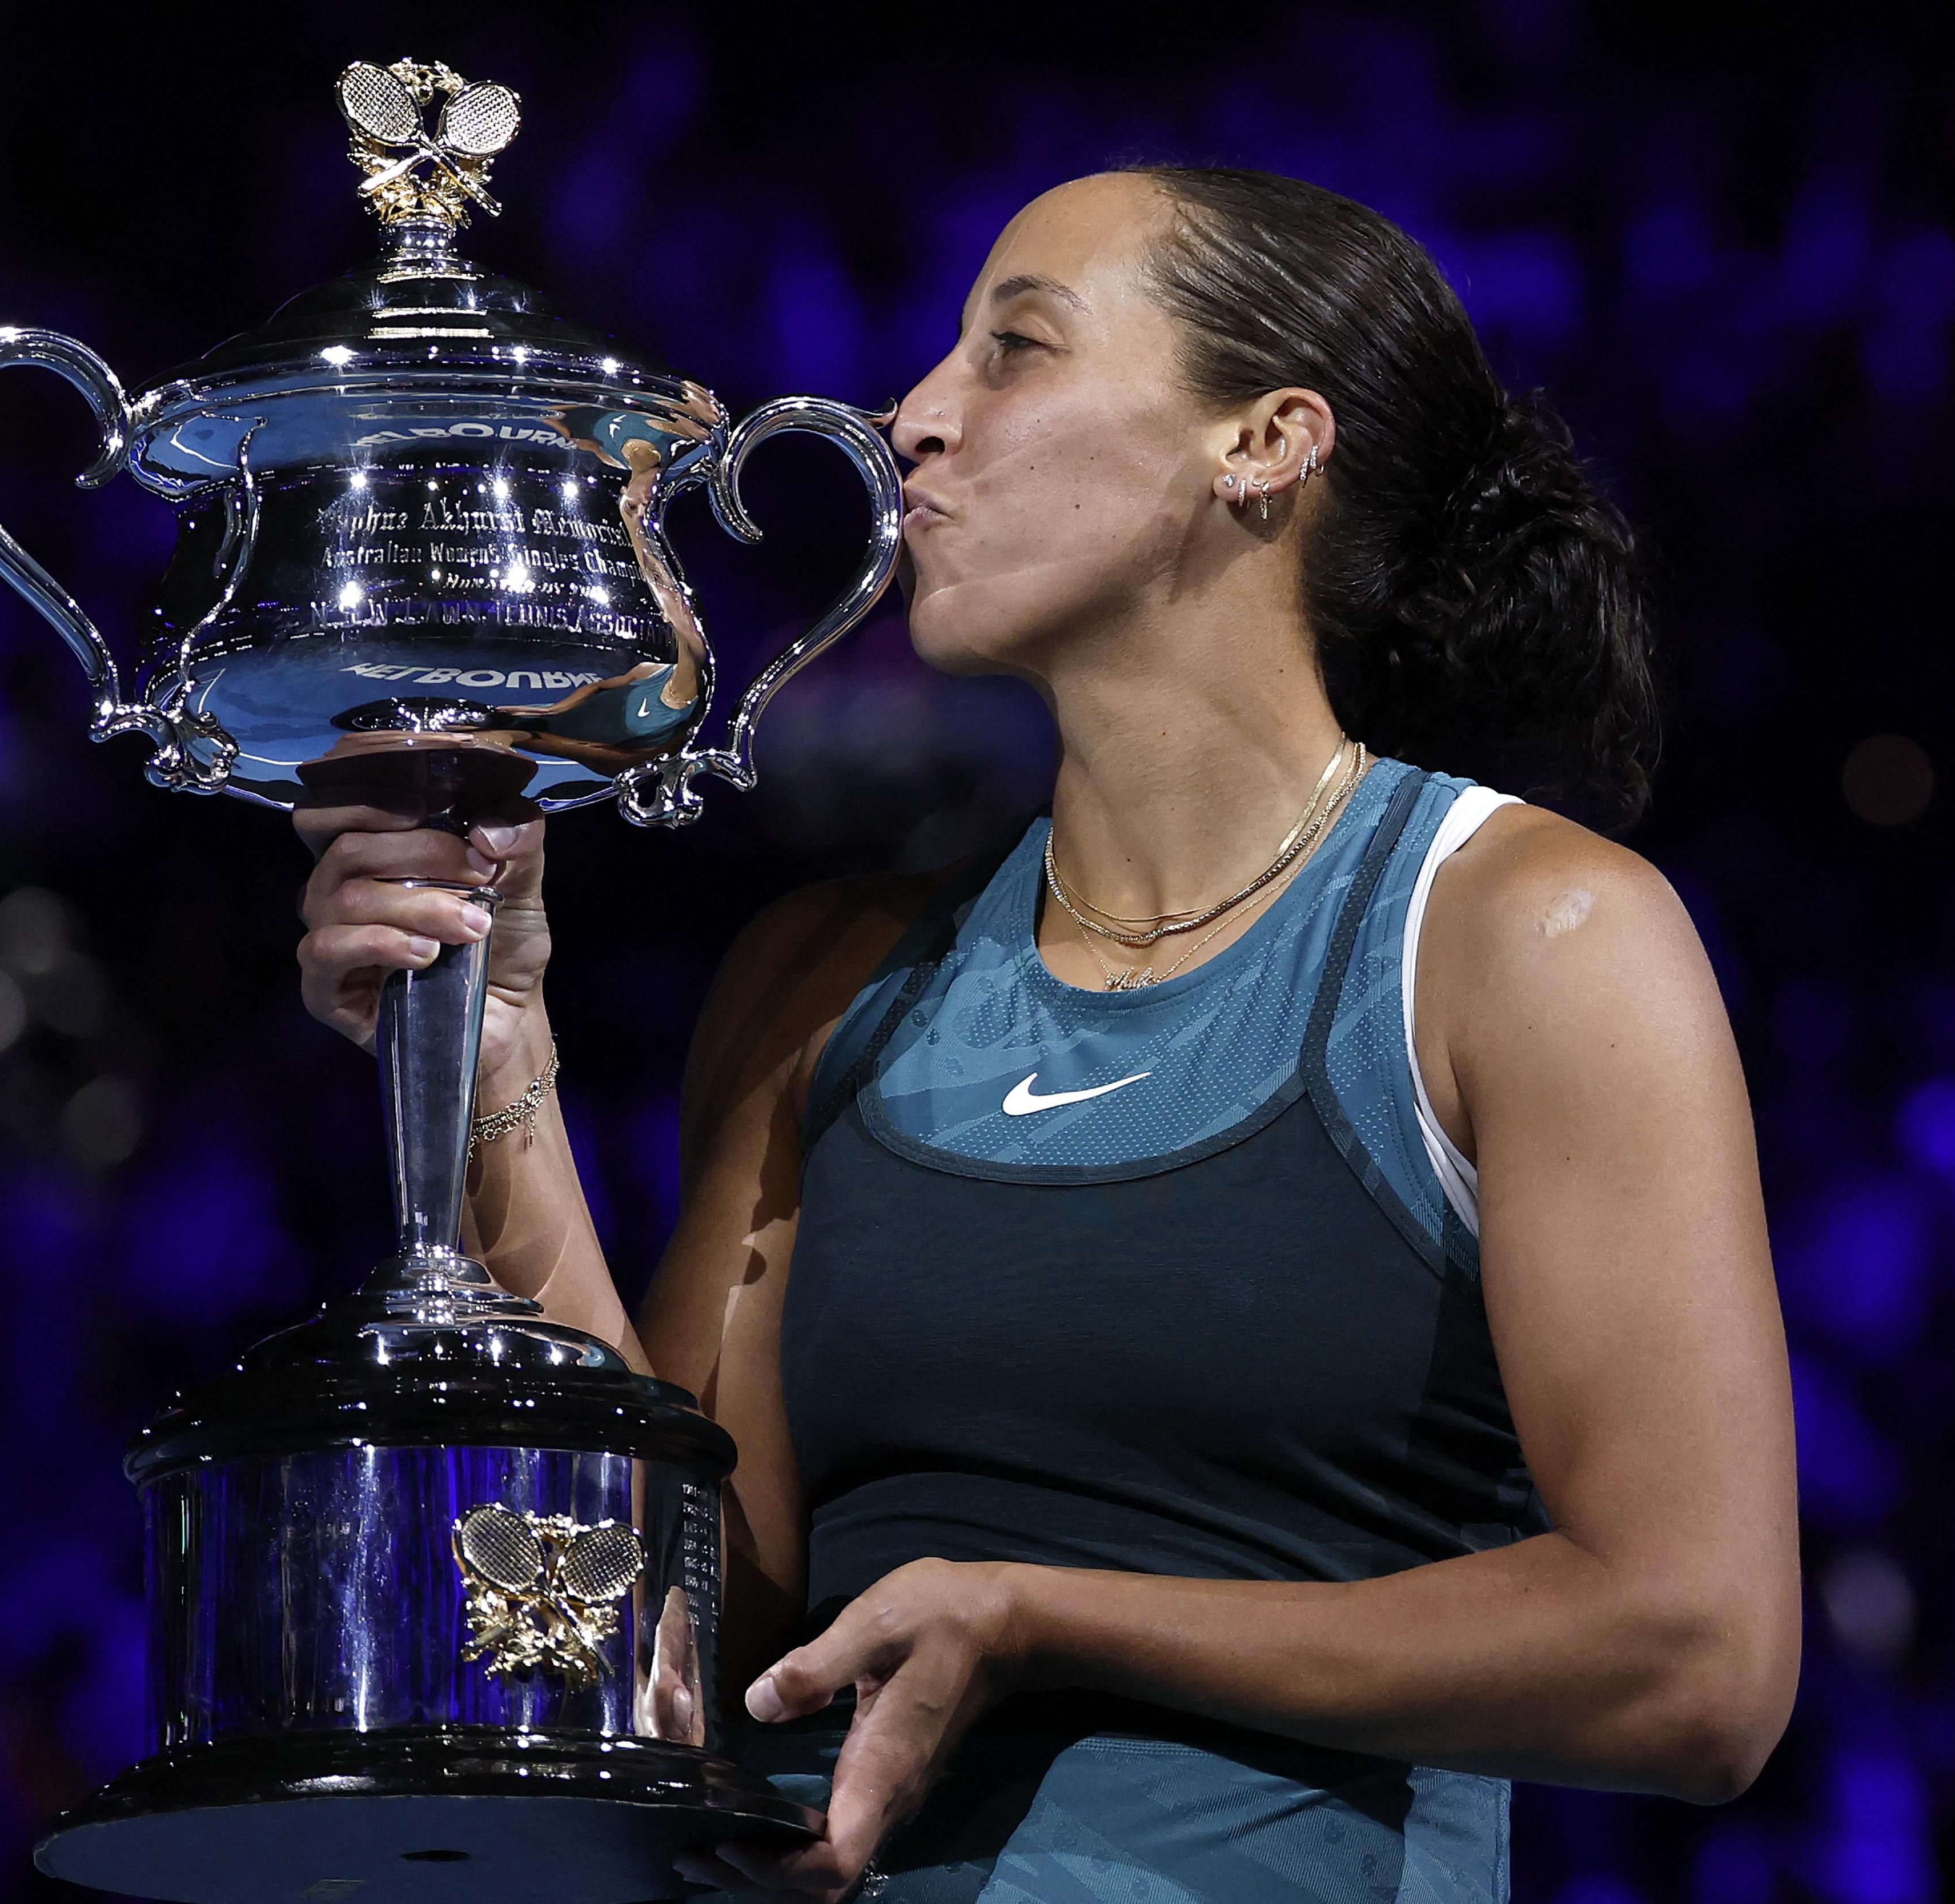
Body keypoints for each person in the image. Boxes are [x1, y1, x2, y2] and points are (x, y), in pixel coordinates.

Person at [292, 165, 1798, 1903]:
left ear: (1264, 442)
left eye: (1014, 350)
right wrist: (494, 1054)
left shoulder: (1524, 934)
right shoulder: (822, 977)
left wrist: (1037, 1620)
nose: (912, 421)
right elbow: (676, 1613)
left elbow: (1697, 1659)